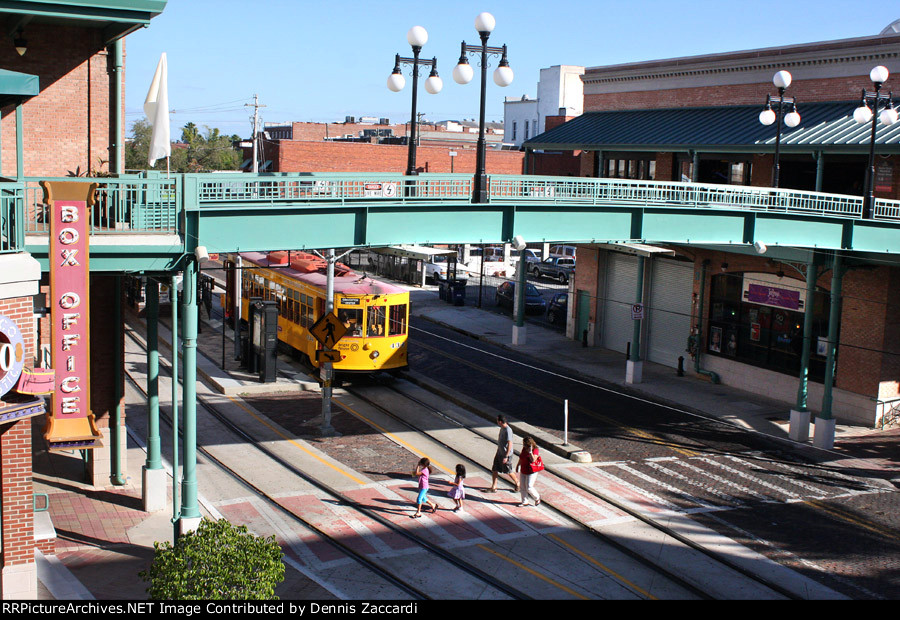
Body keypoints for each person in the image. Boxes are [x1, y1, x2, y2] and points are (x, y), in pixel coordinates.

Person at [488, 415, 519, 493]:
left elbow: (510, 444)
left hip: (505, 455)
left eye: (497, 420)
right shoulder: (502, 428)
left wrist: (506, 456)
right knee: (495, 469)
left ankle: (517, 482)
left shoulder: (508, 430)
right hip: (499, 452)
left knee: (508, 471)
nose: (497, 422)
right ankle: (494, 486)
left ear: (500, 422)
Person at [516, 436, 543, 507]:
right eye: (524, 444)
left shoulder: (535, 450)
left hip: (531, 471)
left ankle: (537, 497)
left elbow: (533, 460)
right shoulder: (524, 449)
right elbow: (521, 457)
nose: (524, 445)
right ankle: (524, 501)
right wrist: (518, 465)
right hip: (523, 469)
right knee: (522, 486)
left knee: (529, 487)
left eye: (525, 444)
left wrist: (530, 452)